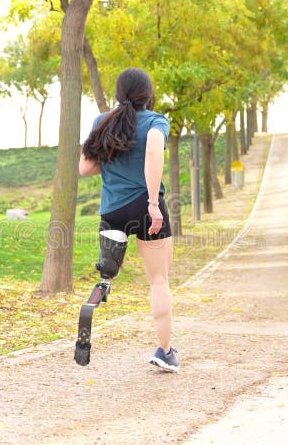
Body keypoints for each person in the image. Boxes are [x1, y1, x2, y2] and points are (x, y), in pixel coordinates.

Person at [78, 67, 178, 373]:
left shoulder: (102, 121)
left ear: (119, 94)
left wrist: (115, 167)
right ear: (148, 94)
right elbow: (152, 151)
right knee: (159, 281)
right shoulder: (156, 121)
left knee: (110, 268)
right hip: (146, 210)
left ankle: (104, 283)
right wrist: (152, 203)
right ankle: (165, 351)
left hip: (113, 212)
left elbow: (86, 168)